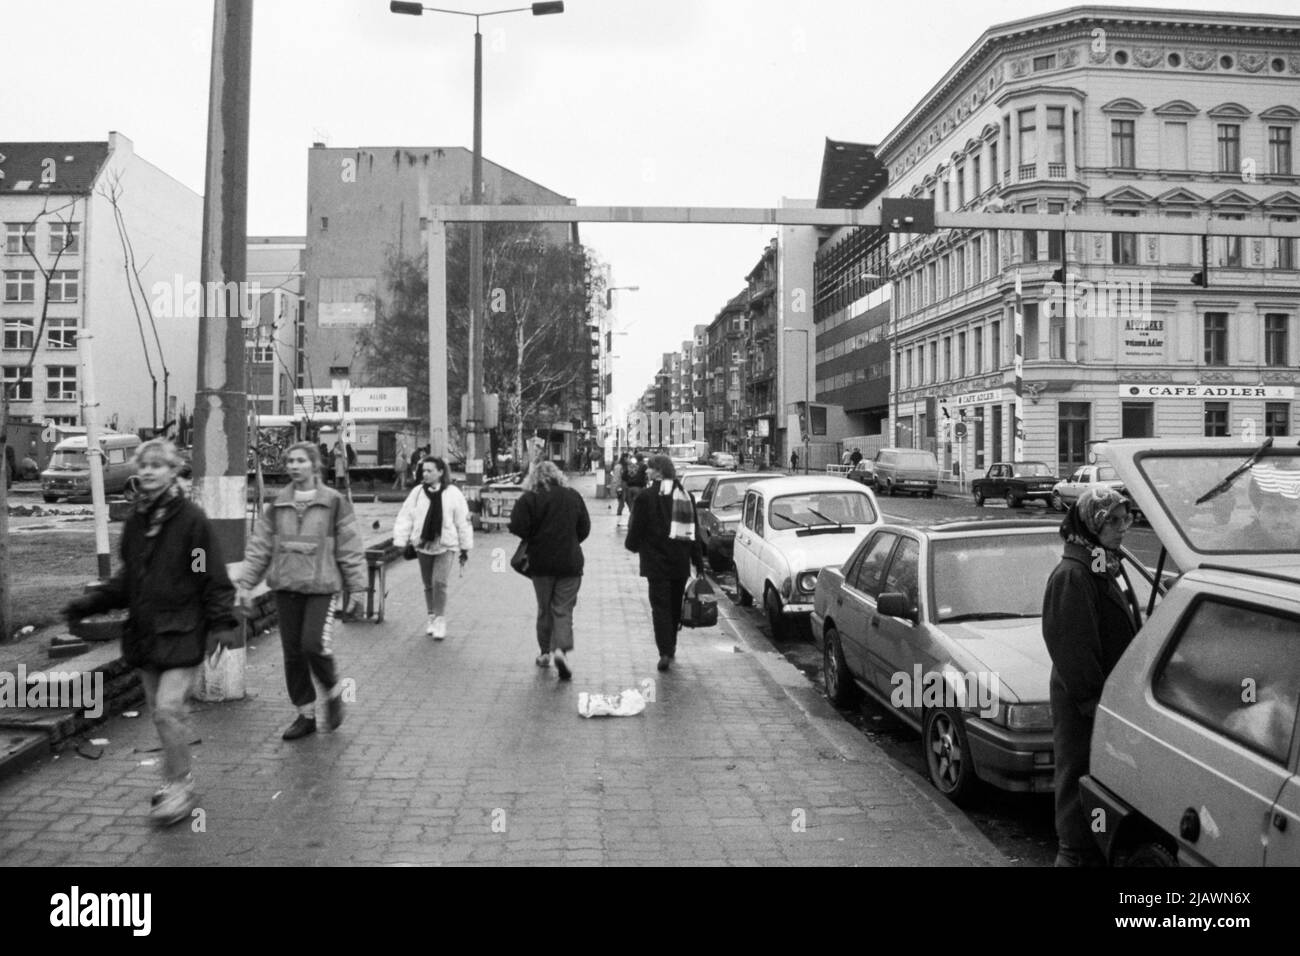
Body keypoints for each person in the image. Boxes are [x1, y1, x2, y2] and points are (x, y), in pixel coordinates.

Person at [63, 439, 240, 825]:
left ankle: (180, 786)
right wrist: (89, 603)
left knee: (166, 711)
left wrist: (222, 621)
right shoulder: (136, 522)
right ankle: (177, 778)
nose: (147, 471)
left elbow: (207, 574)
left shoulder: (192, 521)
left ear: (174, 471)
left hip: (183, 631)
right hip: (145, 635)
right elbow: (130, 579)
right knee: (163, 717)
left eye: (157, 465)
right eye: (143, 465)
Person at [237, 442, 367, 741]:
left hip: (321, 588)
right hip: (286, 587)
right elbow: (260, 547)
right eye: (290, 461)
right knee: (292, 654)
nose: (294, 466)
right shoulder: (277, 505)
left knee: (312, 645)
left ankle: (333, 691)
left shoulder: (334, 502)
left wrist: (357, 589)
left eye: (300, 460)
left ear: (314, 465)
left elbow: (350, 547)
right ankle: (305, 714)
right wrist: (245, 585)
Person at [1041, 486, 1139, 867]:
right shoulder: (1073, 575)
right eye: (1112, 521)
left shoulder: (1101, 565)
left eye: (1124, 518)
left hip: (1101, 708)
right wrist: (1097, 711)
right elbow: (1074, 652)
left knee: (1096, 794)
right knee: (1079, 803)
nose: (1122, 528)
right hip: (1086, 712)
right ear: (1092, 523)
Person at [508, 460, 590, 678]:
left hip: (540, 563)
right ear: (558, 475)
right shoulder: (572, 495)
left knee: (544, 608)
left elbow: (517, 527)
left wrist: (535, 536)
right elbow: (584, 529)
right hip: (570, 563)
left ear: (534, 478)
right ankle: (561, 651)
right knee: (563, 609)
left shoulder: (529, 499)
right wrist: (569, 540)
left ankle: (545, 653)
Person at [625, 454, 705, 672]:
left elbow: (637, 528)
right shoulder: (686, 496)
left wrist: (631, 545)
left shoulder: (646, 497)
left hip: (655, 564)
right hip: (679, 562)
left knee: (660, 607)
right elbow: (694, 533)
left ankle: (665, 651)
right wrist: (698, 562)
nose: (647, 472)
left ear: (659, 471)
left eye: (650, 469)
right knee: (674, 605)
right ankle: (671, 646)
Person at [393, 455, 473, 639]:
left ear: (441, 472)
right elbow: (406, 516)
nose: (425, 474)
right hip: (423, 545)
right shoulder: (418, 493)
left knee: (440, 582)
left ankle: (440, 620)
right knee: (428, 583)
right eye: (424, 470)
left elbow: (463, 520)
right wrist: (400, 539)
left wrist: (465, 546)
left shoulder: (453, 493)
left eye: (430, 470)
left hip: (446, 544)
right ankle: (431, 616)